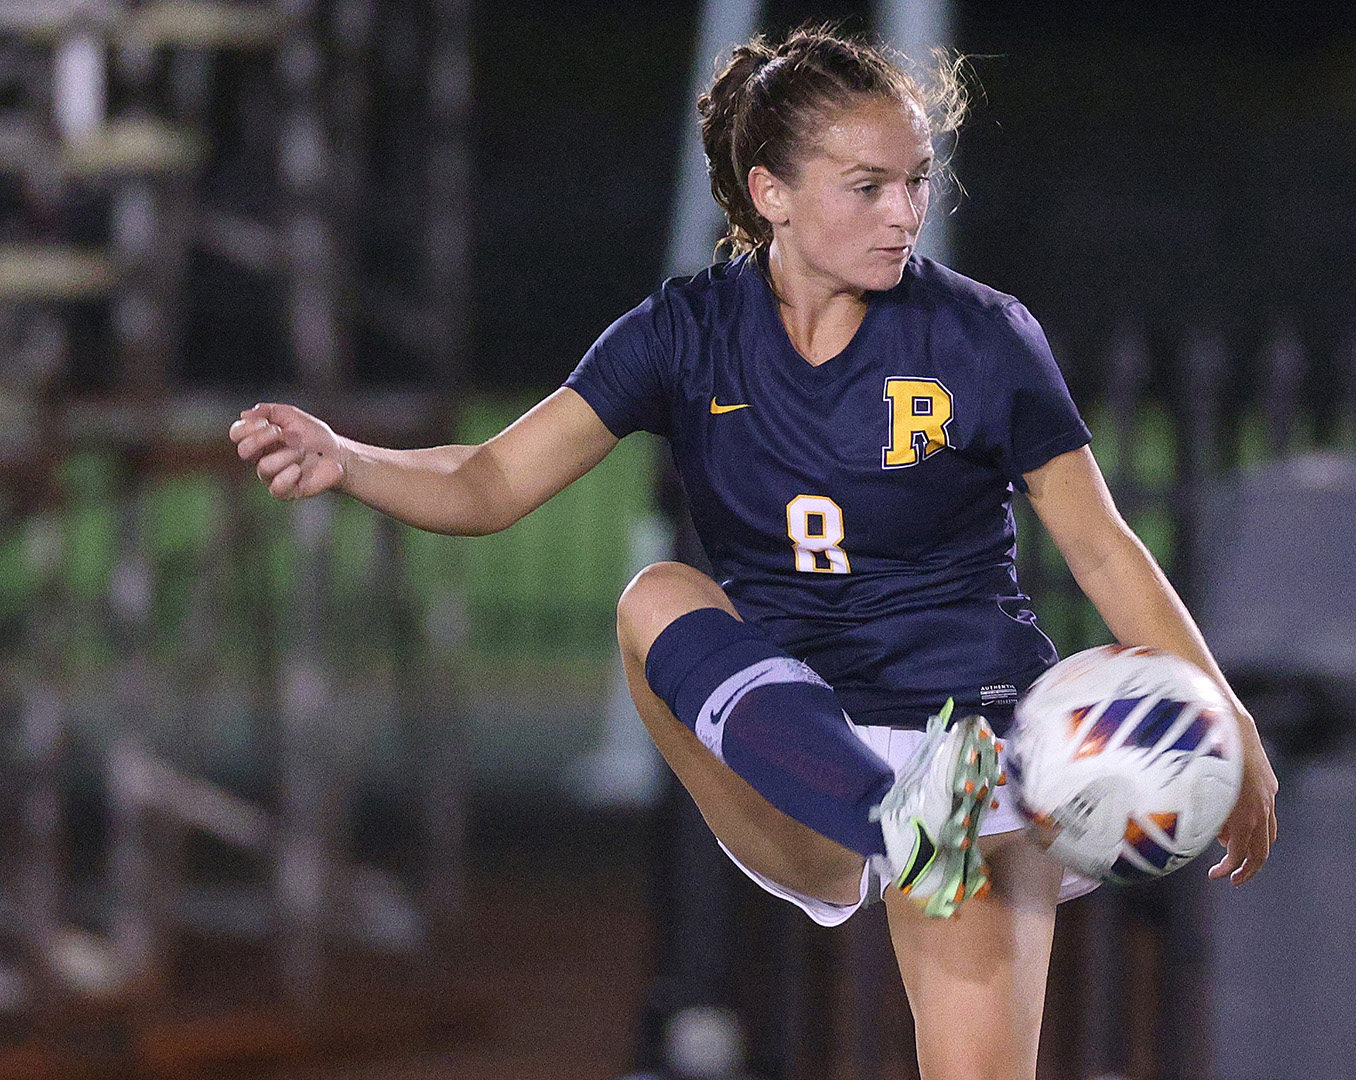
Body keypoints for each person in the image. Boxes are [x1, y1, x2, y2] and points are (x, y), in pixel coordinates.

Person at [230, 26, 1278, 1079]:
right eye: (867, 186)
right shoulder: (686, 333)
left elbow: (1100, 547)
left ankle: (921, 825)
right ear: (771, 193)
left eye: (917, 179)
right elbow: (492, 482)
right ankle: (895, 821)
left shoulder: (981, 336)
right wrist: (348, 459)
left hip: (977, 745)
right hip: (799, 750)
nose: (906, 212)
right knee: (655, 599)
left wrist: (1224, 717)